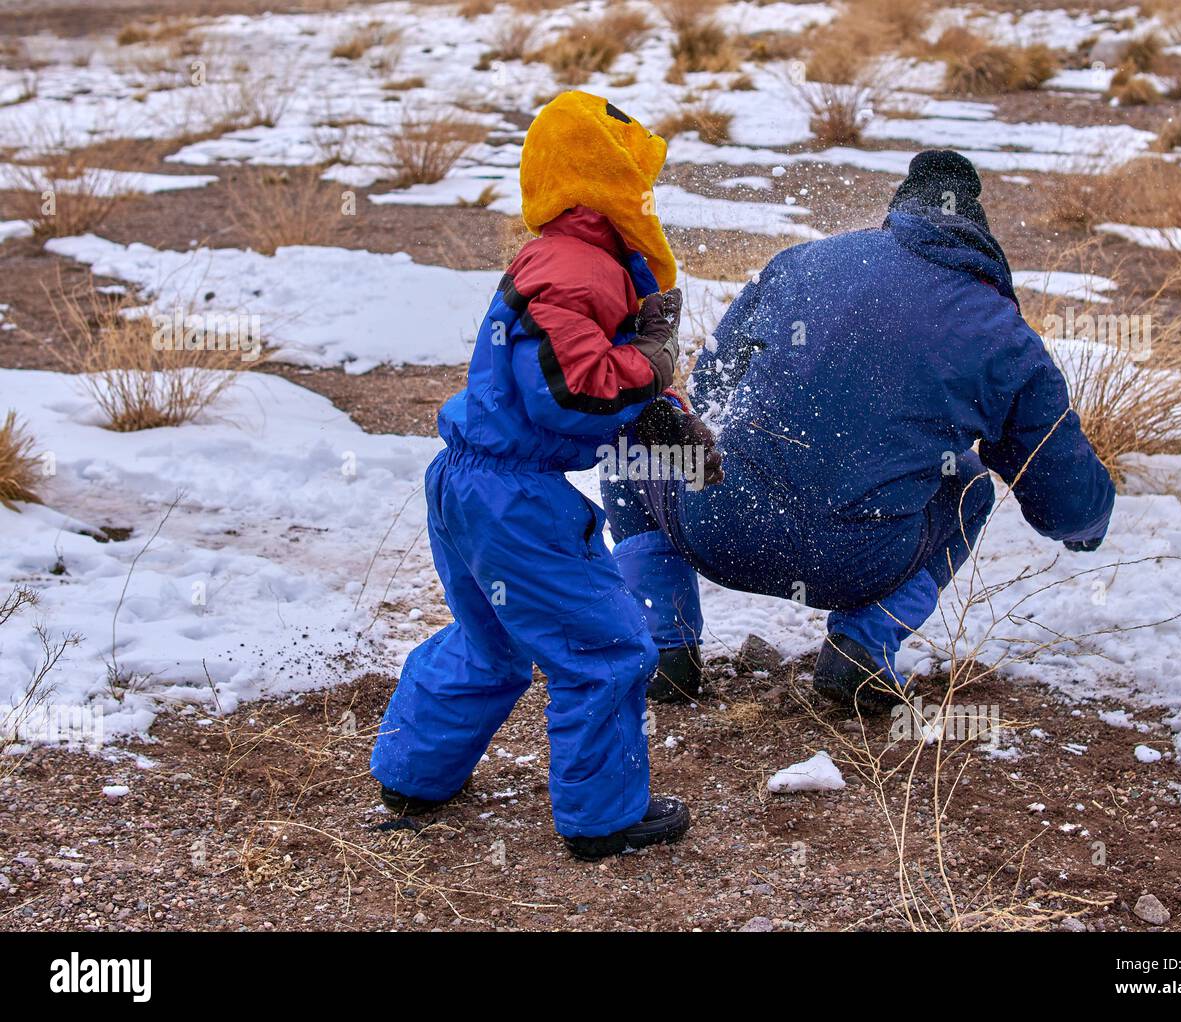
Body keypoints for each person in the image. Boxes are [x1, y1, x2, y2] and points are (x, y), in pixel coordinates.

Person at [601, 149, 1116, 710]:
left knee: (638, 437)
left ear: (896, 213)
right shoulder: (1004, 334)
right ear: (982, 241)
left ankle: (666, 648)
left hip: (720, 531)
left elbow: (714, 385)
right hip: (860, 564)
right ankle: (862, 650)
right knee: (969, 484)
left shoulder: (803, 262)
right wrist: (1085, 527)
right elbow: (1063, 495)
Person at [370, 91, 693, 860]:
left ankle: (415, 776)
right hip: (515, 497)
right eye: (636, 177)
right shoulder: (581, 264)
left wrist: (652, 404)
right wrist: (649, 367)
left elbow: (544, 380)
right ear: (605, 177)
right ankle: (604, 818)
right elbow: (570, 387)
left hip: (470, 480)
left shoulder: (559, 252)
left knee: (491, 640)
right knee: (608, 648)